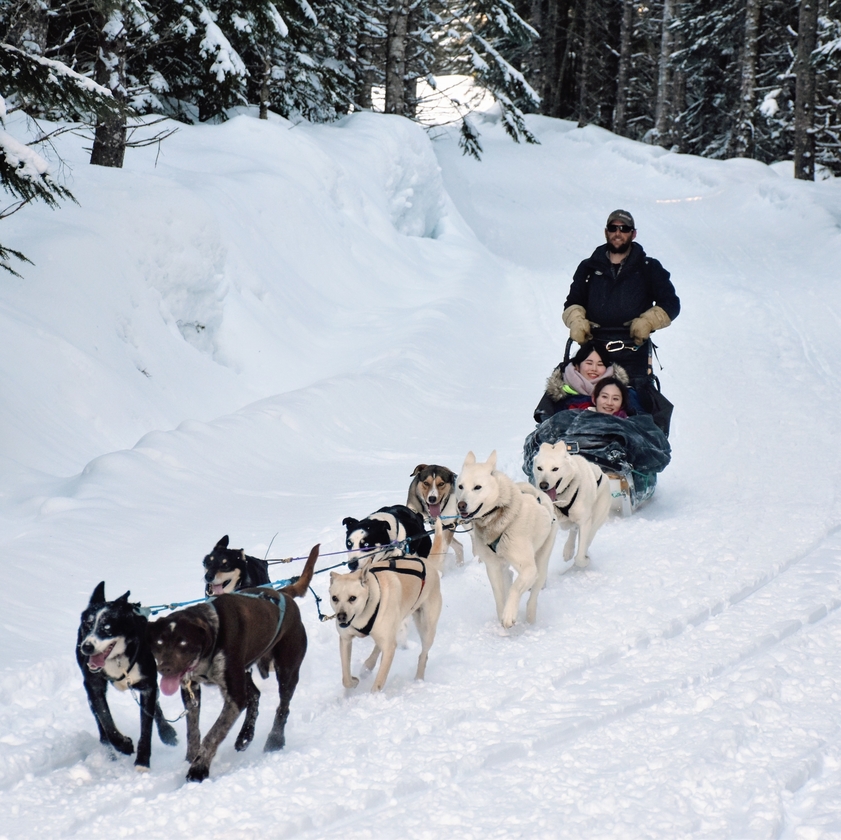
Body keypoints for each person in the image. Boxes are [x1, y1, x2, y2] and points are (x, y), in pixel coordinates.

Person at [562, 210, 680, 387]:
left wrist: (647, 321)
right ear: (606, 232)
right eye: (613, 228)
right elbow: (573, 302)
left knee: (633, 407)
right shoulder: (588, 267)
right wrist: (577, 320)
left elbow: (671, 303)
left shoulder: (649, 268)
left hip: (633, 353)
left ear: (633, 234)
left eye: (624, 228)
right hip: (594, 352)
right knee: (581, 406)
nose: (618, 233)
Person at [533, 340, 631, 422]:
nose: (594, 369)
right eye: (589, 363)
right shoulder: (559, 394)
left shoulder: (621, 391)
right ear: (577, 366)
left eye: (600, 364)